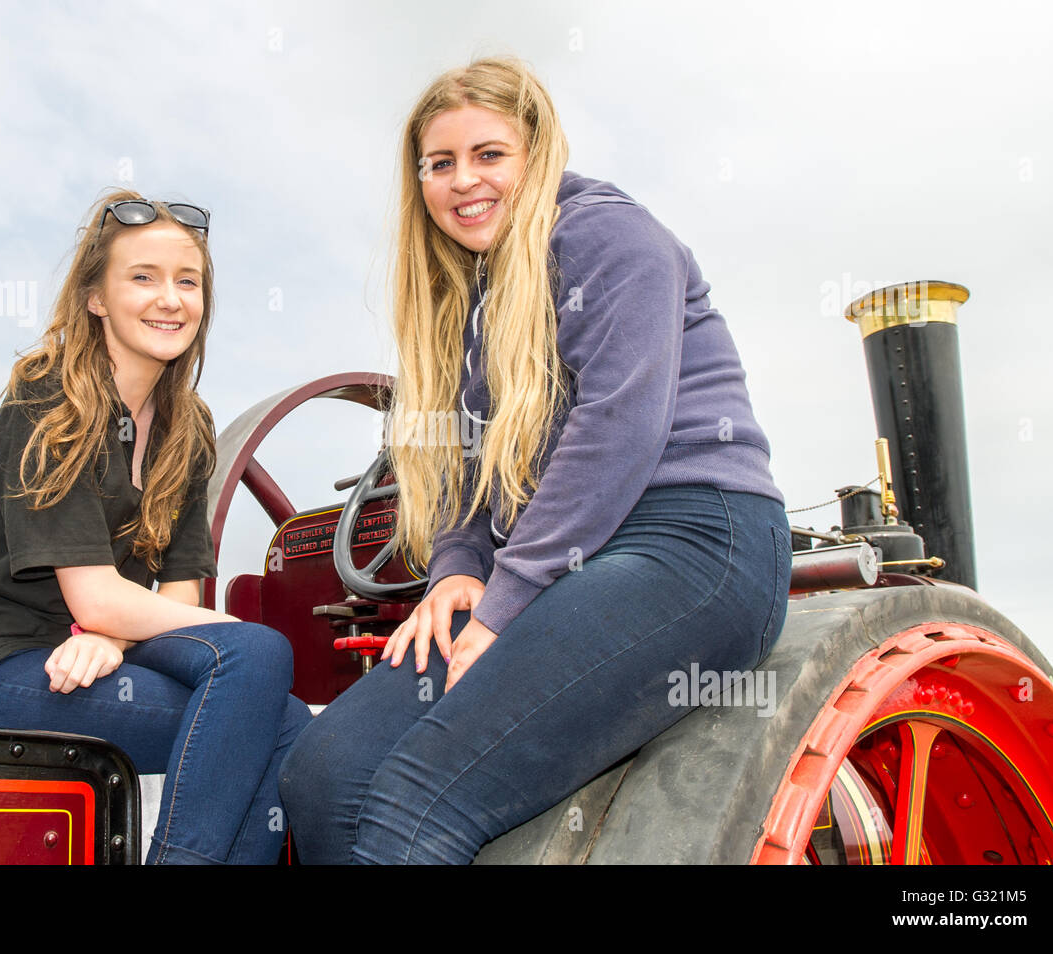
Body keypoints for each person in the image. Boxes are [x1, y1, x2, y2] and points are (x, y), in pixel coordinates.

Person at [278, 57, 793, 864]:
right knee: (324, 776)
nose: (463, 181)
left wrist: (506, 598)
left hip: (691, 539)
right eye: (439, 164)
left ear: (538, 153)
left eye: (490, 154)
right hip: (562, 554)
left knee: (412, 806)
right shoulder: (461, 298)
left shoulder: (605, 234)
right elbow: (457, 469)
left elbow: (618, 427)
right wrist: (454, 567)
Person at [0, 191, 311, 865]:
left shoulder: (189, 430)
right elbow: (94, 596)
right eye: (143, 277)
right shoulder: (45, 400)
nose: (170, 299)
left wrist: (110, 636)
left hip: (106, 650)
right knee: (267, 682)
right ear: (96, 298)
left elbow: (184, 594)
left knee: (273, 691)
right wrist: (103, 623)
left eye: (186, 282)